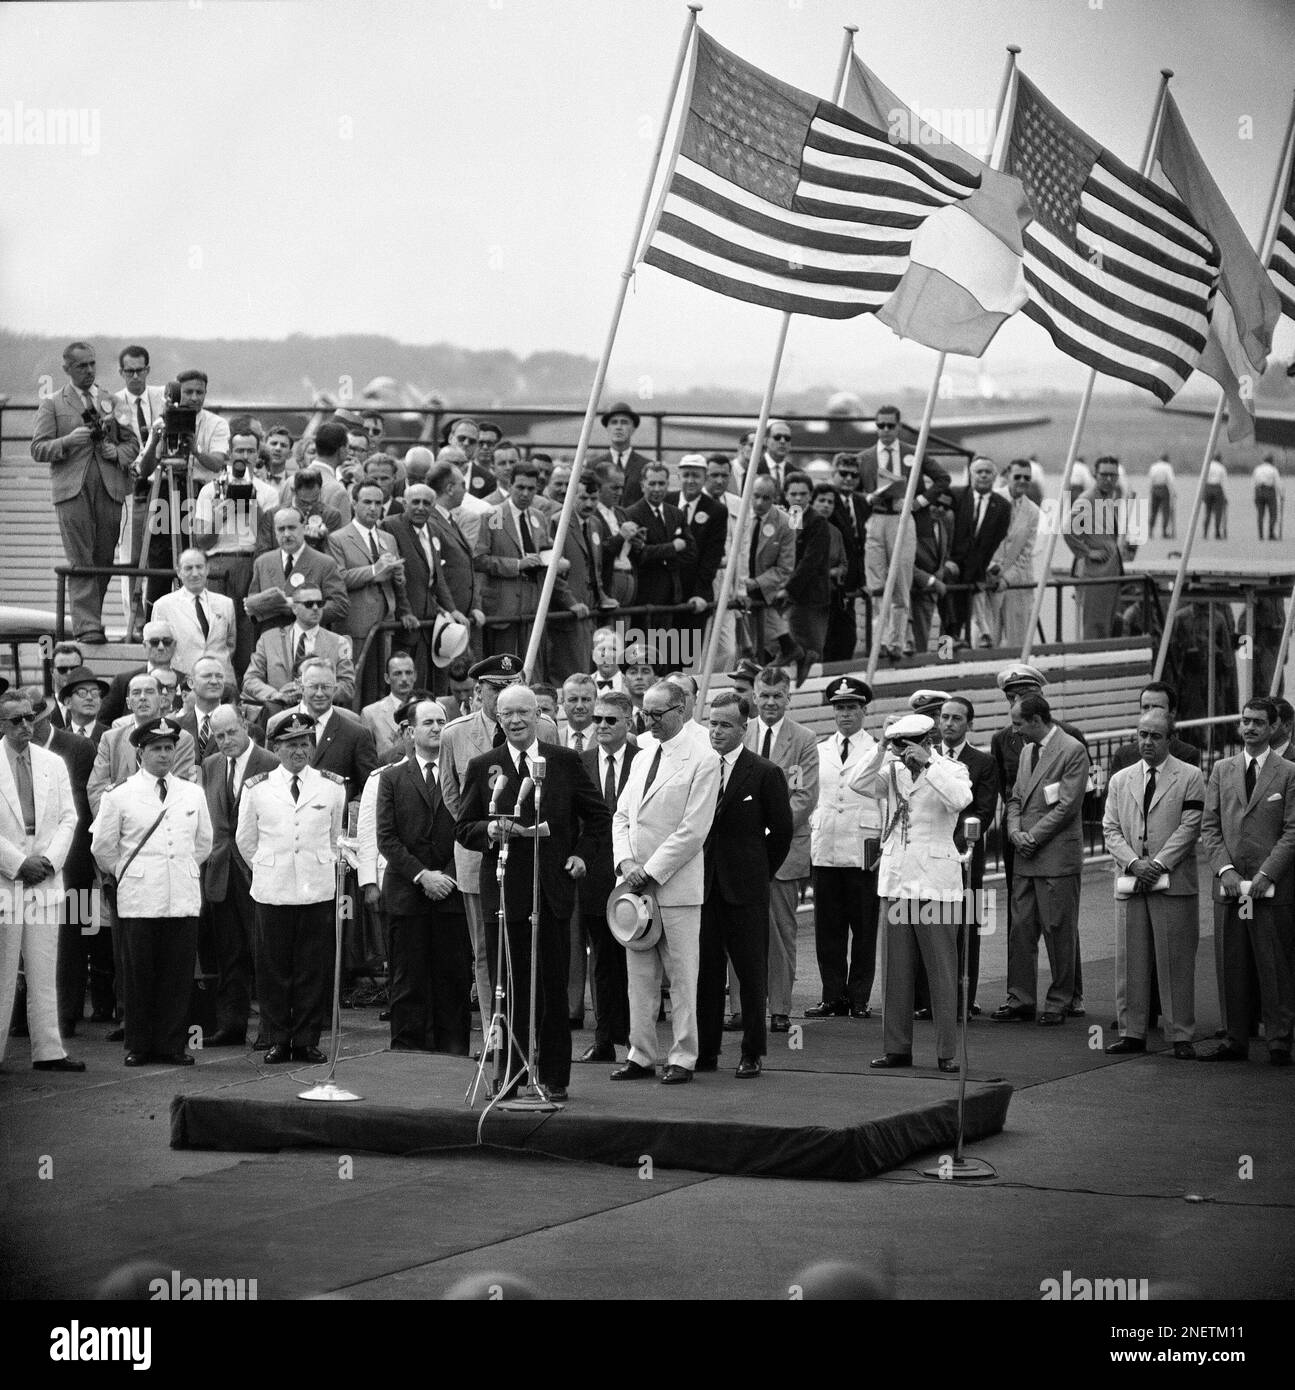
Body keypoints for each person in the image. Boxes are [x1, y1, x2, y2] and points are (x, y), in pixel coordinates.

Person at [455, 685, 610, 1101]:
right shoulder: (484, 765)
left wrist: (581, 856)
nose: (517, 720)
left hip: (552, 891)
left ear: (540, 716)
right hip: (505, 893)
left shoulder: (563, 762)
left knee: (552, 987)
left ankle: (555, 1076)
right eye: (508, 714)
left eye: (525, 712)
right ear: (499, 718)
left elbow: (597, 818)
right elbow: (463, 827)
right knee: (507, 986)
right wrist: (488, 829)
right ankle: (508, 1075)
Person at [439, 655, 559, 1027]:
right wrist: (485, 829)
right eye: (497, 687)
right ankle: (498, 1032)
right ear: (479, 691)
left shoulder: (546, 728)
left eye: (512, 685)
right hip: (481, 854)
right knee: (485, 949)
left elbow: (556, 786)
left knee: (533, 941)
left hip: (533, 851)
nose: (506, 695)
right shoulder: (455, 734)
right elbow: (453, 796)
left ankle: (531, 1026)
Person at [611, 680, 720, 1084]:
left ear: (682, 710)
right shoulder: (643, 753)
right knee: (639, 977)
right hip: (634, 885)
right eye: (645, 713)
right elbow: (622, 815)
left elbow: (693, 831)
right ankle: (640, 1053)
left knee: (682, 975)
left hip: (674, 886)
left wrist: (651, 870)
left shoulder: (703, 757)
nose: (649, 721)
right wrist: (625, 862)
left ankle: (684, 1056)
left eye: (657, 714)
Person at [90, 717, 213, 1066]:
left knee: (177, 975)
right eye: (156, 748)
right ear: (140, 752)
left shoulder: (191, 793)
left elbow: (203, 843)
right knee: (139, 974)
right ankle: (140, 1044)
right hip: (140, 897)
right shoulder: (120, 795)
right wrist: (136, 872)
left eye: (169, 748)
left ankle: (172, 1044)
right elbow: (104, 848)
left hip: (181, 895)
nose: (163, 755)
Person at [854, 713, 972, 1071]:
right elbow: (856, 782)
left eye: (909, 743)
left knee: (941, 970)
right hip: (898, 881)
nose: (903, 751)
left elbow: (960, 799)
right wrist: (880, 748)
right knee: (896, 971)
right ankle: (897, 1048)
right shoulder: (890, 773)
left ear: (926, 741)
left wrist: (928, 766)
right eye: (898, 743)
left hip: (935, 883)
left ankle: (947, 1052)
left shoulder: (951, 769)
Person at [235, 710, 346, 1064]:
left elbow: (334, 838)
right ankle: (278, 1038)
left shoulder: (332, 786)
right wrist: (271, 865)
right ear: (276, 747)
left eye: (304, 743)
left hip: (316, 888)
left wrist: (313, 864)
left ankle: (307, 1040)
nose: (299, 751)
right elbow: (245, 840)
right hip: (273, 889)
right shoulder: (257, 788)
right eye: (291, 744)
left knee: (312, 969)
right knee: (273, 970)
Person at [698, 691, 793, 1078]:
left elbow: (782, 831)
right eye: (712, 724)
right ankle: (705, 1051)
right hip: (702, 888)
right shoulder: (700, 768)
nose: (716, 731)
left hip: (746, 889)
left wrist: (758, 872)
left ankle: (752, 1051)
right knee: (705, 974)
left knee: (751, 973)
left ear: (743, 727)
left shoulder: (764, 772)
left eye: (725, 725)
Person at [1101, 709, 1205, 1060]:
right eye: (1142, 734)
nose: (1147, 742)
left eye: (1155, 736)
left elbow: (1190, 826)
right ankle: (1132, 1031)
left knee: (1175, 959)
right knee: (1130, 959)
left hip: (1172, 881)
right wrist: (1133, 862)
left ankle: (1180, 1034)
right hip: (1131, 879)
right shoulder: (1121, 780)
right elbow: (1110, 829)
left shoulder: (1190, 776)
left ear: (1169, 739)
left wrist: (1158, 863)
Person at [1199, 697, 1295, 1064]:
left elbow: (1291, 830)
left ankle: (1278, 1040)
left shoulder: (1287, 772)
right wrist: (1225, 871)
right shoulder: (1222, 770)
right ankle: (1234, 1038)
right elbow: (1210, 827)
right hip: (1230, 887)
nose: (1250, 727)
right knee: (1232, 963)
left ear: (1273, 727)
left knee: (1274, 964)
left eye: (1258, 722)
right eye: (1245, 721)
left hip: (1271, 887)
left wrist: (1266, 873)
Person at [378, 698, 471, 1055]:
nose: (436, 728)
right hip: (408, 894)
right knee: (407, 981)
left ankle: (454, 1052)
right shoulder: (391, 778)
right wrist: (422, 876)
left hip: (452, 892)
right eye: (428, 722)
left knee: (453, 981)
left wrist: (446, 875)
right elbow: (387, 837)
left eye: (442, 722)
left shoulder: (464, 773)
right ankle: (406, 1055)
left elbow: (468, 830)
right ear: (410, 731)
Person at [31, 341, 140, 643]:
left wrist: (114, 452)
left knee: (103, 557)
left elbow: (133, 443)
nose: (89, 370)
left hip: (109, 488)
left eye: (92, 364)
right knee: (81, 559)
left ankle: (93, 618)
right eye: (82, 366)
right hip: (72, 490)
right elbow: (38, 449)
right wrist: (70, 440)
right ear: (67, 369)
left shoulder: (113, 401)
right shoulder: (52, 403)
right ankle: (87, 625)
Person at [994, 693, 1090, 1026]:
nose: (1014, 729)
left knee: (1058, 930)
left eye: (1018, 723)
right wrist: (1014, 832)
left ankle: (1060, 1000)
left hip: (1055, 856)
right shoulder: (1026, 752)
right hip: (1026, 855)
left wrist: (1031, 837)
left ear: (1037, 720)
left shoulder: (1072, 749)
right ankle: (1021, 999)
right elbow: (1015, 797)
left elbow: (1067, 806)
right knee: (1020, 931)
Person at [0, 689, 82, 1071]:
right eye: (16, 720)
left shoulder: (53, 763)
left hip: (44, 875)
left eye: (30, 718)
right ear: (1, 724)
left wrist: (48, 860)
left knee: (44, 969)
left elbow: (69, 818)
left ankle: (49, 1050)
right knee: (2, 976)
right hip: (7, 878)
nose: (26, 726)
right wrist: (19, 863)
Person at [199, 705, 279, 1046]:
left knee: (266, 954)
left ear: (244, 726)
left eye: (231, 732)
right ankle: (231, 1026)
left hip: (258, 870)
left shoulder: (271, 763)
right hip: (221, 872)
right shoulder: (211, 764)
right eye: (219, 735)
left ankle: (272, 1029)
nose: (226, 740)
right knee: (229, 953)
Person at [746, 666, 818, 1033]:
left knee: (779, 932)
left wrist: (765, 829)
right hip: (741, 849)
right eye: (765, 695)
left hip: (783, 850)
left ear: (789, 698)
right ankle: (744, 1007)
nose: (770, 702)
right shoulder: (739, 732)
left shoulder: (804, 739)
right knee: (739, 929)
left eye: (778, 696)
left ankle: (780, 1008)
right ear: (755, 696)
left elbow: (803, 797)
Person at [808, 677, 881, 1020]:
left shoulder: (878, 749)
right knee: (828, 929)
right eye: (840, 708)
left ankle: (860, 997)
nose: (845, 714)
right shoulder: (820, 750)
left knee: (864, 929)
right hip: (827, 847)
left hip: (862, 848)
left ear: (864, 710)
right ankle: (832, 994)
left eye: (852, 707)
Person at [576, 692, 638, 1064]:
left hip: (636, 872)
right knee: (601, 959)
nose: (600, 725)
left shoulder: (644, 760)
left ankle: (635, 1038)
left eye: (610, 720)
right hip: (594, 873)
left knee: (636, 960)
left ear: (628, 722)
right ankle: (603, 1039)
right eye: (597, 719)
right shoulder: (579, 762)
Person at [863, 404, 951, 659]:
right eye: (881, 426)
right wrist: (870, 498)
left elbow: (943, 478)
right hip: (878, 518)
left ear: (899, 427)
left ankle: (896, 642)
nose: (886, 430)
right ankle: (878, 641)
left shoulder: (913, 453)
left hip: (903, 520)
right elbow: (854, 489)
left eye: (890, 425)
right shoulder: (866, 457)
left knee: (901, 581)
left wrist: (918, 502)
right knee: (877, 584)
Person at [329, 480, 419, 706]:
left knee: (381, 683)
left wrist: (399, 578)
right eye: (367, 502)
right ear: (353, 503)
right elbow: (338, 578)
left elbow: (398, 581)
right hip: (355, 623)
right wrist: (373, 571)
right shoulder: (338, 538)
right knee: (355, 684)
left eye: (378, 503)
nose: (373, 508)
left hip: (385, 622)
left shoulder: (387, 538)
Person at [936, 696, 998, 1016]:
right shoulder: (928, 757)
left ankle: (962, 1000)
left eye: (956, 718)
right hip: (930, 859)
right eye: (944, 717)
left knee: (965, 927)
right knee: (930, 925)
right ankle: (929, 1000)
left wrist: (952, 846)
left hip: (965, 857)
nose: (948, 723)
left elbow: (983, 813)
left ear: (969, 724)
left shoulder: (982, 762)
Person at [474, 460, 565, 663]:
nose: (525, 494)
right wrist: (517, 564)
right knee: (503, 664)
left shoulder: (539, 517)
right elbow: (480, 559)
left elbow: (544, 550)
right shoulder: (495, 514)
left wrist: (555, 561)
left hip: (533, 604)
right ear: (509, 485)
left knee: (531, 663)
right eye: (520, 487)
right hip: (503, 605)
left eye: (531, 489)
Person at [382, 481, 463, 686]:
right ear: (404, 503)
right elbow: (395, 575)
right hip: (406, 623)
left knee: (428, 681)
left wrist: (452, 609)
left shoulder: (433, 529)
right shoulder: (391, 526)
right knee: (404, 682)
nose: (420, 507)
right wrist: (404, 611)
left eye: (426, 503)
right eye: (415, 502)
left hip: (429, 622)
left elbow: (438, 577)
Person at [89, 673, 198, 816]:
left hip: (162, 828)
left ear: (161, 699)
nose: (142, 697)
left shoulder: (181, 739)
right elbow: (96, 788)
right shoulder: (110, 739)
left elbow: (179, 788)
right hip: (119, 827)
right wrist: (111, 823)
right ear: (128, 702)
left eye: (149, 692)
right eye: (136, 693)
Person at [243, 585, 356, 717]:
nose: (315, 608)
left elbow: (348, 687)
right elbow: (250, 680)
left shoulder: (340, 643)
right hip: (279, 714)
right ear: (295, 608)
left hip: (321, 716)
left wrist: (311, 691)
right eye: (309, 604)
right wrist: (276, 695)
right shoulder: (269, 639)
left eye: (320, 604)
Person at [245, 507, 349, 636]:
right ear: (275, 532)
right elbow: (251, 607)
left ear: (304, 528)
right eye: (281, 529)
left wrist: (299, 608)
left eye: (291, 528)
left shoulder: (324, 563)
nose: (287, 534)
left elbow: (340, 606)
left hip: (309, 643)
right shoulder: (262, 562)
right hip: (273, 643)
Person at [149, 549, 238, 684]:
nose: (195, 573)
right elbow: (156, 650)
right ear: (179, 572)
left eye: (199, 567)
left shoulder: (226, 603)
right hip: (183, 683)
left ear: (207, 569)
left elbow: (230, 645)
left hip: (222, 684)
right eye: (188, 568)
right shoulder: (163, 606)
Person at [949, 457, 1012, 647]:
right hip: (951, 570)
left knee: (967, 622)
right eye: (979, 471)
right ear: (971, 474)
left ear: (995, 476)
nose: (983, 475)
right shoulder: (956, 496)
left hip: (976, 572)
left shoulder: (1002, 506)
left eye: (988, 472)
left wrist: (981, 568)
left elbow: (995, 541)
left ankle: (965, 666)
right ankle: (943, 664)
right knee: (948, 624)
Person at [778, 472, 832, 684]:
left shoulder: (817, 522)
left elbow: (811, 561)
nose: (798, 498)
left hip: (810, 597)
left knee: (811, 647)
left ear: (810, 495)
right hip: (790, 592)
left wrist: (789, 588)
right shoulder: (787, 519)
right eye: (793, 494)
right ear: (785, 495)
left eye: (803, 494)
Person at [737, 476, 795, 665]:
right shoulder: (738, 514)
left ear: (775, 498)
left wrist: (757, 582)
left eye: (766, 498)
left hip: (763, 589)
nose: (759, 503)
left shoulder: (785, 523)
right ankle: (787, 648)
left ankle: (783, 651)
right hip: (737, 586)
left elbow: (785, 568)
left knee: (761, 638)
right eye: (755, 496)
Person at [984, 461, 1040, 649]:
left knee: (1018, 642)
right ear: (1008, 476)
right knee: (985, 640)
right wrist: (990, 570)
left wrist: (1007, 579)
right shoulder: (991, 499)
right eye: (1018, 476)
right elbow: (978, 541)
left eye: (1027, 477)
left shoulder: (1032, 511)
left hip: (1017, 583)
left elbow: (1026, 552)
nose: (1022, 481)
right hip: (988, 581)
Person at [590, 401, 653, 507]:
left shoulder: (646, 466)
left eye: (624, 422)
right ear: (607, 428)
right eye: (614, 422)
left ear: (633, 428)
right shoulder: (594, 465)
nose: (618, 427)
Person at [361, 652, 419, 757]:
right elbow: (366, 757)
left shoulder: (430, 708)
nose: (404, 679)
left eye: (408, 673)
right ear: (387, 678)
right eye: (397, 673)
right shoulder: (371, 713)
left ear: (415, 676)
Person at [1253, 454, 1282, 541]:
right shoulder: (1273, 469)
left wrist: (1255, 496)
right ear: (1271, 461)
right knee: (1273, 514)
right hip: (1269, 491)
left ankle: (1260, 534)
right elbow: (1277, 483)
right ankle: (1271, 533)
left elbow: (1254, 482)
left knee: (1260, 514)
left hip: (1259, 491)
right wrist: (1281, 495)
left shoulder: (1257, 469)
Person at [1148, 453, 1176, 539]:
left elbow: (1150, 479)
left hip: (1155, 489)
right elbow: (1171, 480)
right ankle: (1164, 532)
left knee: (1153, 511)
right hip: (1164, 489)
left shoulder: (1153, 466)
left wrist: (1151, 490)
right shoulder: (1167, 466)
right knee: (1165, 511)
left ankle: (1151, 531)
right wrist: (1173, 492)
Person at [1202, 454, 1228, 540]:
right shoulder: (1221, 468)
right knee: (1218, 512)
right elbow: (1224, 483)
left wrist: (1203, 493)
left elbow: (1203, 480)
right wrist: (1226, 496)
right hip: (1217, 489)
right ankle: (1217, 532)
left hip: (1208, 488)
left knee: (1207, 512)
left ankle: (1205, 532)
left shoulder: (1207, 466)